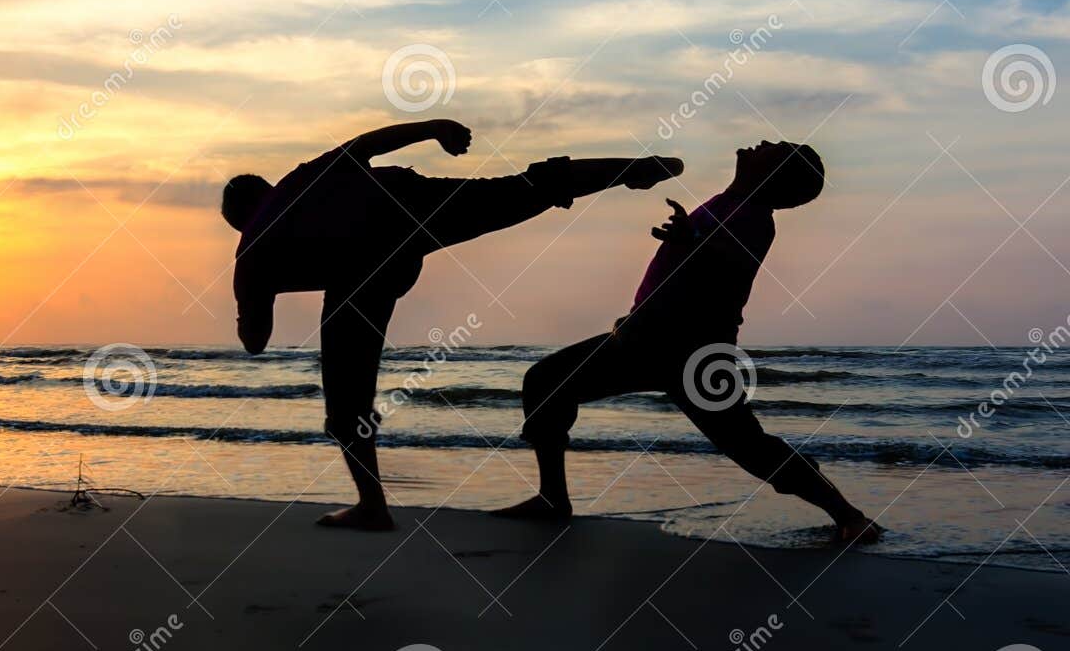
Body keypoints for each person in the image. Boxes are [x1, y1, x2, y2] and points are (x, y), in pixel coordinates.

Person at [223, 118, 682, 530]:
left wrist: (256, 302)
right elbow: (366, 144)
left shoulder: (251, 254)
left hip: (362, 271)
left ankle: (372, 506)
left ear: (238, 223)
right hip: (404, 205)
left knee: (347, 404)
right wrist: (435, 127)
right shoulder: (298, 180)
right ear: (266, 188)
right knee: (517, 192)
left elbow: (256, 341)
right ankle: (629, 169)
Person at [494, 140, 881, 544]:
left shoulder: (754, 217)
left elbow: (733, 264)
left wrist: (691, 238)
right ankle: (552, 498)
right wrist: (688, 237)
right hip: (642, 341)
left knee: (748, 446)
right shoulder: (728, 203)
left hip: (691, 352)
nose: (764, 142)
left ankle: (849, 516)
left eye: (775, 148)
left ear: (773, 173)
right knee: (546, 381)